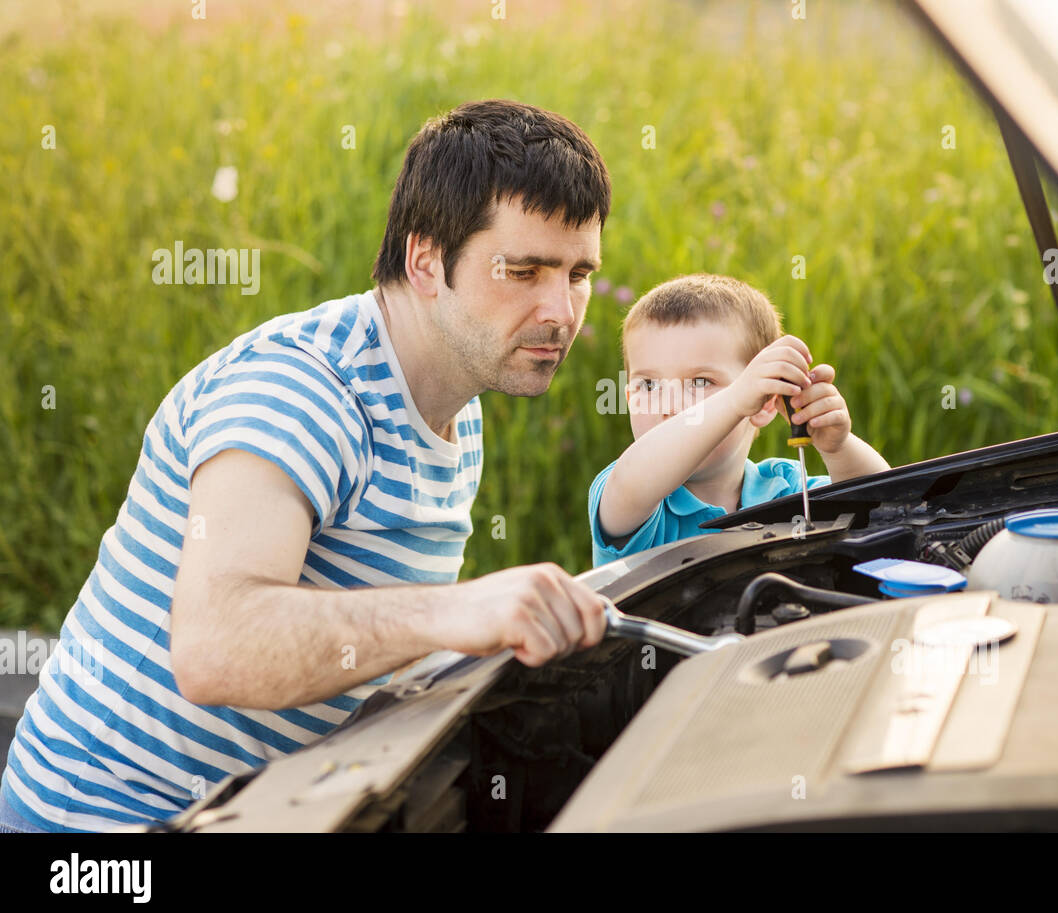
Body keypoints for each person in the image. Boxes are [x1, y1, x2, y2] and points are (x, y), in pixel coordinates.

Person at [0, 99, 613, 832]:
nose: (560, 309)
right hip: (105, 824)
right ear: (426, 260)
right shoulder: (302, 391)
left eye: (578, 273)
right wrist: (457, 612)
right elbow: (214, 647)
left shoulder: (454, 399)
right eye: (524, 269)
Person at [588, 273, 890, 567]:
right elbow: (634, 478)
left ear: (763, 403)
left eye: (701, 381)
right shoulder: (631, 493)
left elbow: (883, 507)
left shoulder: (784, 489)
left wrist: (837, 448)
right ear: (629, 398)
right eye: (649, 385)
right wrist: (732, 400)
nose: (668, 405)